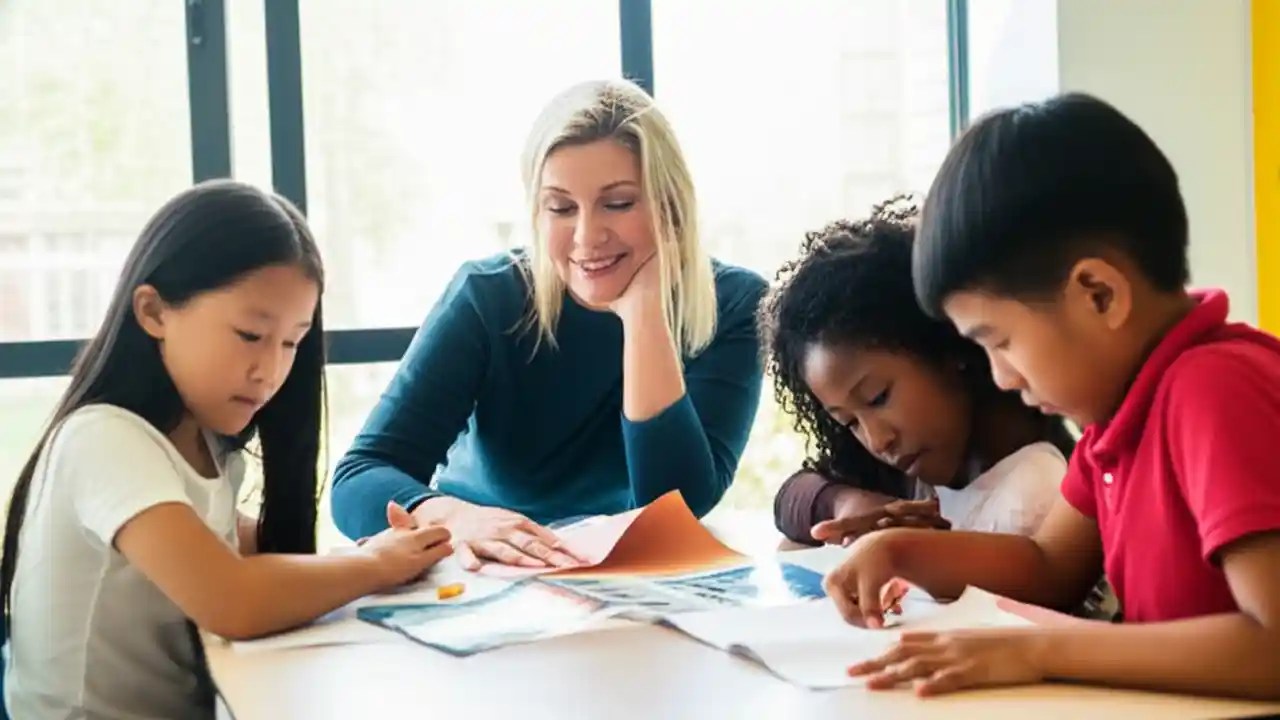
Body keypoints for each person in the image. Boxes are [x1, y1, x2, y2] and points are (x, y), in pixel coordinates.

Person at [825, 93, 1280, 699]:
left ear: (1098, 295)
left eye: (1000, 341)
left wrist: (1036, 649)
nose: (1002, 377)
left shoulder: (1213, 390)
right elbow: (1048, 569)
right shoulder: (1116, 421)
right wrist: (900, 548)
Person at [2, 181, 452, 719]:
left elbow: (227, 545)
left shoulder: (206, 445)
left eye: (292, 342)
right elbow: (231, 598)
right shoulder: (104, 438)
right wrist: (372, 565)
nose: (272, 370)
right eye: (249, 334)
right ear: (153, 312)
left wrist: (382, 553)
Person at [331, 79, 766, 571]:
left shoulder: (735, 303)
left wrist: (644, 314)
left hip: (625, 580)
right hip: (485, 572)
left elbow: (680, 505)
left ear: (671, 207)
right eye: (560, 208)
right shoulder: (489, 295)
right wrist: (455, 518)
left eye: (618, 203)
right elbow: (357, 479)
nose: (587, 236)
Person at [761, 194, 1073, 549]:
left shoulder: (1045, 476)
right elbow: (791, 496)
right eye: (848, 422)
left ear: (944, 344)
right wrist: (846, 503)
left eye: (878, 397)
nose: (878, 440)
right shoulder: (913, 467)